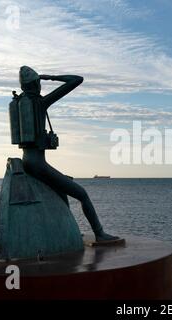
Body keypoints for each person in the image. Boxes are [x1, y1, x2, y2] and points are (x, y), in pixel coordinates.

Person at [17, 66, 118, 242]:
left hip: (28, 160)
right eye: (39, 82)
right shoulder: (40, 103)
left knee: (64, 185)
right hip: (38, 164)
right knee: (82, 194)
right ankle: (100, 234)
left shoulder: (18, 103)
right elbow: (77, 79)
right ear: (35, 84)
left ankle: (66, 229)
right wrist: (51, 77)